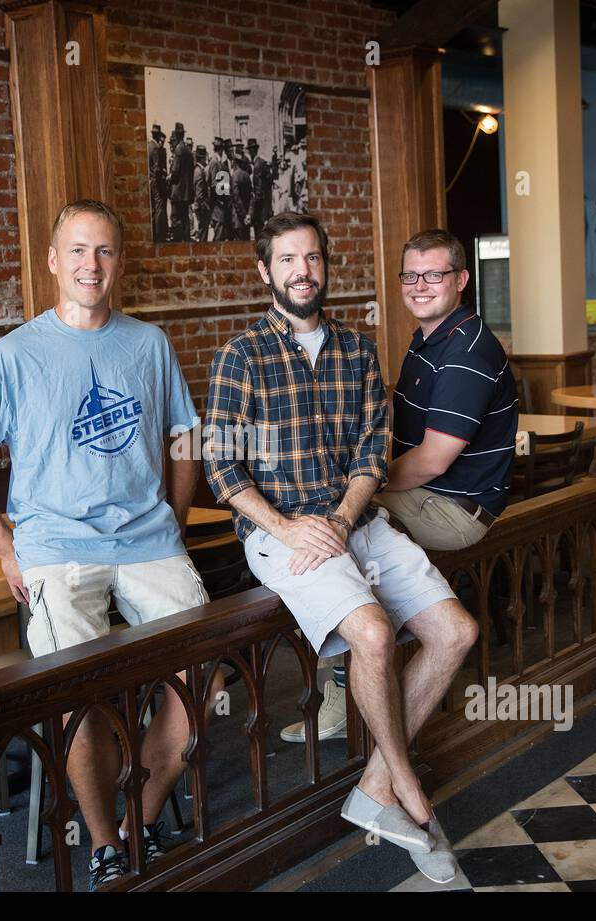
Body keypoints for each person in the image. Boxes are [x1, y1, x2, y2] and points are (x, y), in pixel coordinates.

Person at [0, 199, 219, 891]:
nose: (92, 264)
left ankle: (139, 820)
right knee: (77, 694)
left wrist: (174, 520)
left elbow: (185, 436)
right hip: (56, 548)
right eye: (79, 251)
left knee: (206, 676)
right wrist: (6, 547)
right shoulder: (16, 354)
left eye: (105, 251)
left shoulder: (148, 343)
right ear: (54, 260)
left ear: (119, 262)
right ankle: (103, 844)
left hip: (147, 541)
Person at [204, 212, 476, 884]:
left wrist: (345, 517)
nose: (302, 271)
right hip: (281, 535)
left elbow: (371, 451)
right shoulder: (241, 355)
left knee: (456, 632)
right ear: (265, 272)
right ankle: (406, 788)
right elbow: (222, 469)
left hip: (355, 521)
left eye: (312, 258)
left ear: (326, 266)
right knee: (374, 635)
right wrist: (289, 528)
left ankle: (376, 786)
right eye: (287, 260)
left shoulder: (358, 350)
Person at [374, 229, 518, 550]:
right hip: (430, 494)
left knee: (344, 513)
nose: (419, 286)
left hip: (455, 511)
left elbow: (433, 461)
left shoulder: (466, 354)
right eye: (410, 275)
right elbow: (400, 410)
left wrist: (370, 480)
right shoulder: (431, 339)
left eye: (434, 275)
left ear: (461, 280)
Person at [168, 122, 193, 243]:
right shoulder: (188, 151)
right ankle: (186, 241)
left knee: (175, 218)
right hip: (186, 193)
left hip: (177, 193)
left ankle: (178, 242)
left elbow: (175, 171)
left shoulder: (178, 149)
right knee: (185, 218)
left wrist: (169, 177)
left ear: (177, 136)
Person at [207, 137, 232, 242]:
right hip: (218, 204)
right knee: (219, 233)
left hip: (220, 203)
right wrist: (223, 195)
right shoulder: (215, 162)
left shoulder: (218, 162)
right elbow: (214, 184)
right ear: (221, 149)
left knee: (221, 232)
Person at [247, 138, 272, 241]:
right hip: (265, 206)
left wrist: (253, 210)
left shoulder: (257, 165)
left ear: (252, 151)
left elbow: (258, 190)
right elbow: (269, 181)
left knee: (259, 235)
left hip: (259, 208)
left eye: (249, 151)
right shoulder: (262, 162)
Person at [147, 124, 168, 242]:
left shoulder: (149, 146)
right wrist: (162, 175)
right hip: (157, 183)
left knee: (154, 209)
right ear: (158, 135)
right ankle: (159, 237)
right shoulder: (155, 148)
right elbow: (156, 169)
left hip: (151, 181)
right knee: (159, 209)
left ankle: (154, 234)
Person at [192, 145, 210, 243]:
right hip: (202, 207)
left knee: (202, 230)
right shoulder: (199, 171)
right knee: (203, 232)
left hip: (199, 206)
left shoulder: (197, 170)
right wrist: (205, 207)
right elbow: (199, 195)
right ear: (202, 158)